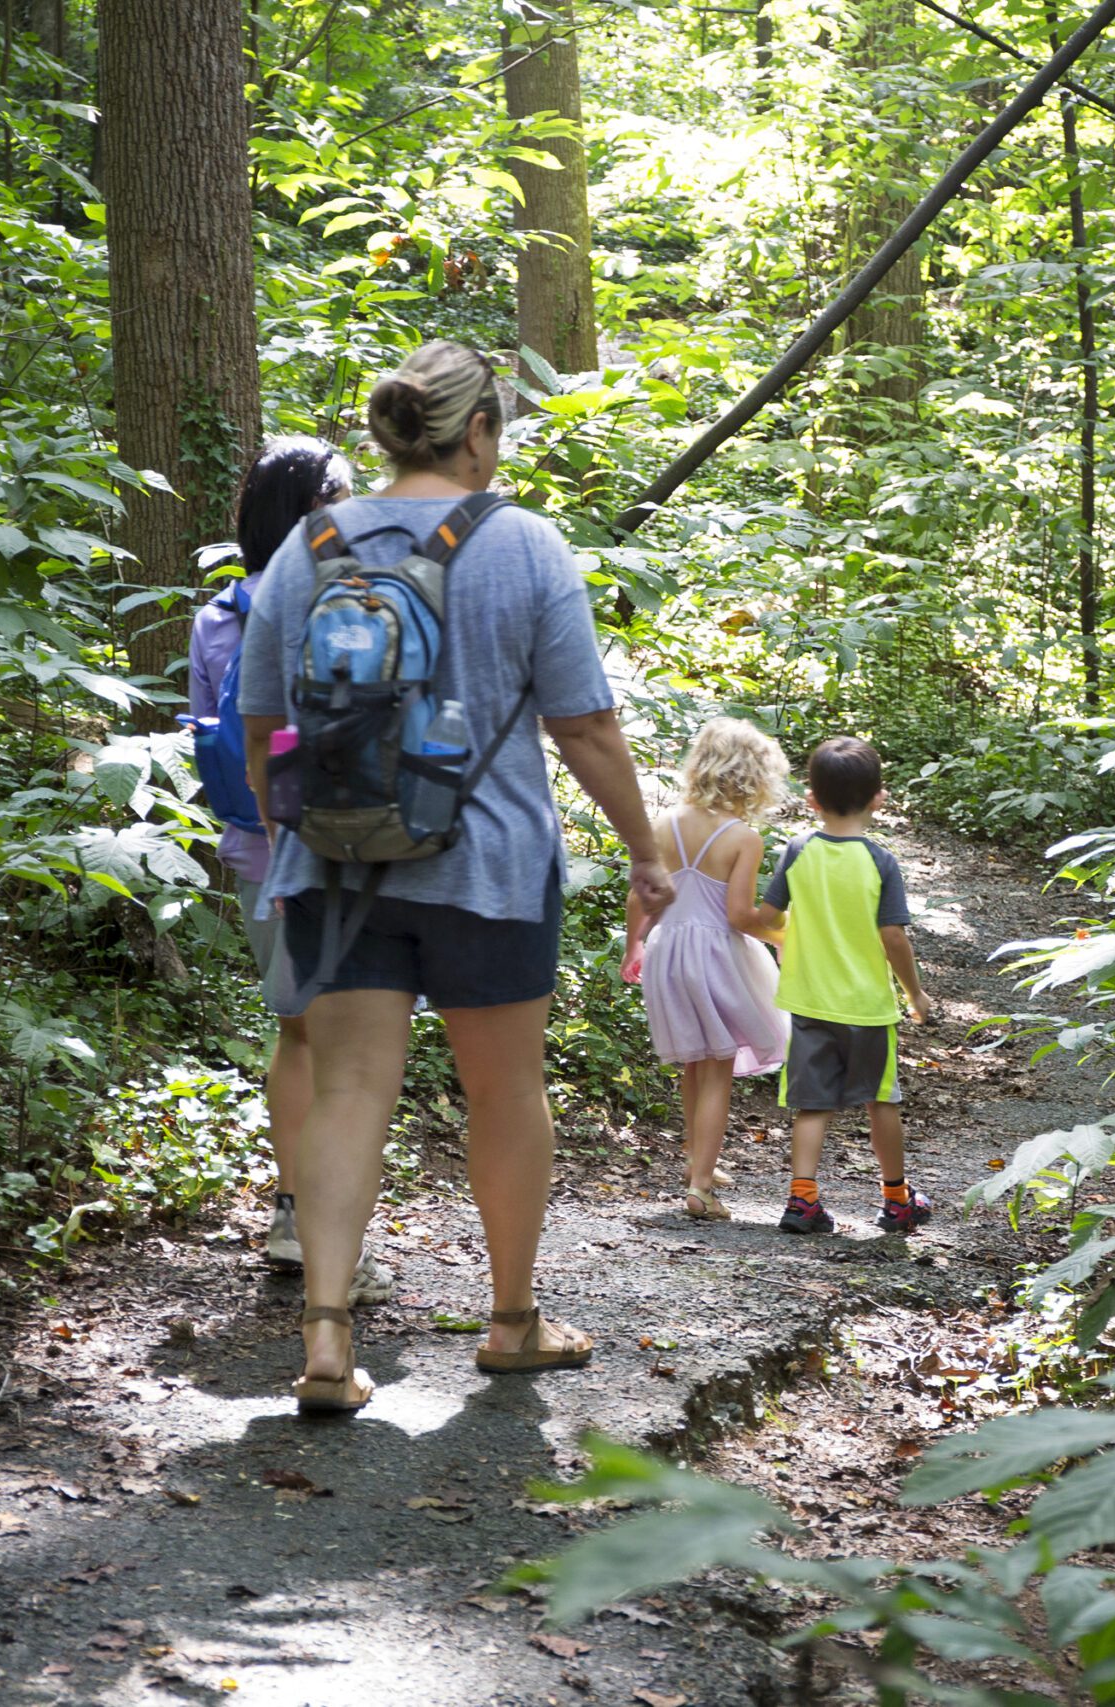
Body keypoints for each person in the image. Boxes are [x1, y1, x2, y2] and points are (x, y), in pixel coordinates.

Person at [236, 341, 676, 1415]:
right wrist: (645, 849)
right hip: (490, 867)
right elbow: (584, 723)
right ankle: (512, 1321)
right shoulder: (524, 544)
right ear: (481, 430)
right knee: (503, 1091)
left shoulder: (308, 543)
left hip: (337, 869)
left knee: (347, 1091)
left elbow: (261, 726)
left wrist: (298, 830)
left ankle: (329, 1338)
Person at [187, 437, 395, 1307]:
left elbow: (206, 735)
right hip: (339, 847)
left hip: (252, 847)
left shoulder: (218, 616)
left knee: (296, 1030)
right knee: (349, 1048)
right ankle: (331, 1245)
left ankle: (289, 1209)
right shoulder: (344, 601)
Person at [754, 736, 933, 1237]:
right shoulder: (880, 861)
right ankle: (897, 1200)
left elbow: (767, 917)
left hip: (809, 1001)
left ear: (811, 799)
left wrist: (788, 941)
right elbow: (892, 935)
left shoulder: (798, 851)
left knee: (812, 1104)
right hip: (867, 1005)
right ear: (879, 797)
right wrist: (914, 993)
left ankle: (802, 1200)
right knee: (882, 1099)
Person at [623, 718, 790, 1221]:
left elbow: (640, 895)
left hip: (669, 948)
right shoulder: (742, 838)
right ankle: (701, 1188)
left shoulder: (661, 824)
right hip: (718, 955)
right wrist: (783, 937)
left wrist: (634, 945)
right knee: (718, 1067)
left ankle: (698, 1160)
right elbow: (739, 916)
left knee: (695, 1062)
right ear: (754, 777)